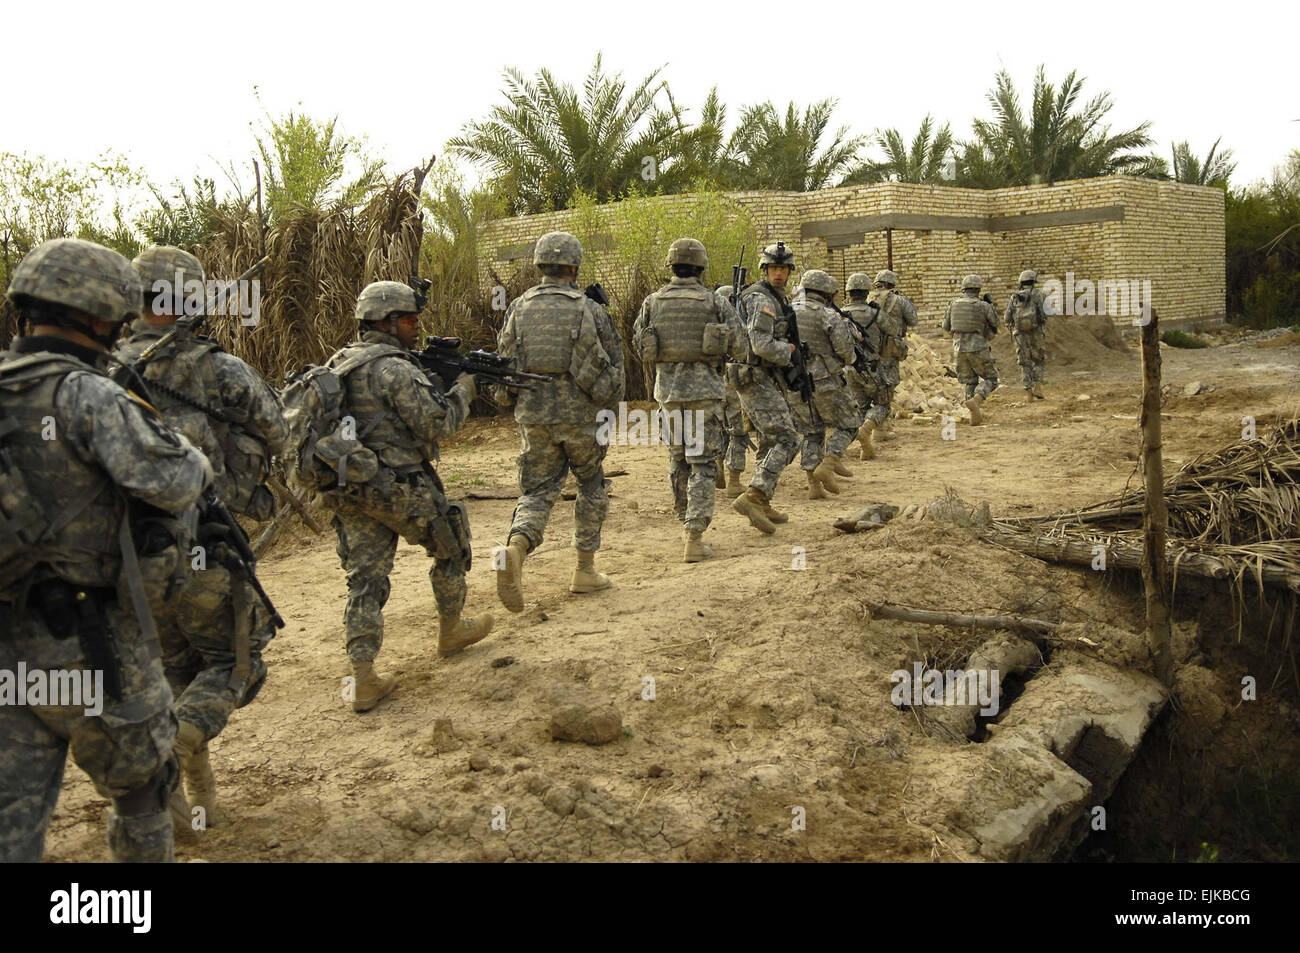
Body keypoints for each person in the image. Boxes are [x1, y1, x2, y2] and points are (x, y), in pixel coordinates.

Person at [0, 238, 211, 862]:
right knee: (143, 795)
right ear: (98, 317)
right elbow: (178, 480)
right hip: (93, 649)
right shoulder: (90, 396)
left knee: (13, 822)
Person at [113, 245, 289, 826]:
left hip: (126, 561)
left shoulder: (96, 375)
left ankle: (195, 800)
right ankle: (173, 748)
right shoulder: (216, 369)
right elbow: (277, 429)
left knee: (176, 673)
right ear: (190, 300)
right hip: (201, 547)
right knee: (239, 664)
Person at [320, 280, 492, 713]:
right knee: (451, 544)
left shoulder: (339, 362)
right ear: (386, 321)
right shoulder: (394, 368)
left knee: (365, 580)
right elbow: (436, 424)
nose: (417, 328)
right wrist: (465, 390)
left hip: (351, 485)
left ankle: (363, 679)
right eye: (410, 320)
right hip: (398, 487)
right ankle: (451, 631)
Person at [493, 232, 625, 610]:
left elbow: (505, 364)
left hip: (534, 416)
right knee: (590, 483)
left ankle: (517, 548)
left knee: (537, 490)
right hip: (581, 415)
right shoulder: (590, 309)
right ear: (574, 266)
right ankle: (585, 570)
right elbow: (614, 367)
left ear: (540, 266)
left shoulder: (518, 308)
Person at [633, 240, 746, 561]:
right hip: (704, 397)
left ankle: (684, 517)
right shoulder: (714, 303)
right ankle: (694, 535)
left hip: (668, 395)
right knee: (702, 464)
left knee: (678, 458)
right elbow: (741, 346)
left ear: (670, 266)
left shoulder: (652, 303)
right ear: (701, 267)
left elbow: (638, 341)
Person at [729, 242, 805, 534]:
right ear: (765, 270)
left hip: (760, 374)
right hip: (754, 373)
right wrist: (788, 349)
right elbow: (761, 345)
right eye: (774, 268)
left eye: (783, 269)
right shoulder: (763, 300)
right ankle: (754, 495)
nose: (778, 274)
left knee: (768, 440)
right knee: (788, 439)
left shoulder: (776, 298)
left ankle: (763, 500)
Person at [792, 270, 859, 498]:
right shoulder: (827, 315)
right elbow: (846, 353)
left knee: (811, 431)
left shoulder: (787, 312)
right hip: (825, 380)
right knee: (850, 423)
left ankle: (813, 485)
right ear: (825, 292)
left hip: (794, 381)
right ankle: (829, 464)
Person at [942, 274, 1000, 425]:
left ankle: (974, 416)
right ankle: (977, 399)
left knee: (970, 381)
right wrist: (990, 306)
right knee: (991, 379)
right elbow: (996, 323)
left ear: (964, 288)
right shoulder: (983, 306)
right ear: (978, 289)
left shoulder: (953, 304)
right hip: (978, 346)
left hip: (959, 348)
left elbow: (945, 326)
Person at [1006, 268, 1051, 400]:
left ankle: (1029, 393)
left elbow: (1007, 317)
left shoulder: (1014, 297)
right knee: (1039, 360)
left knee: (1024, 362)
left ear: (1021, 281)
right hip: (1036, 332)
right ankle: (1038, 386)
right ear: (1034, 281)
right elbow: (1046, 313)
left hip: (1020, 334)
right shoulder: (1040, 294)